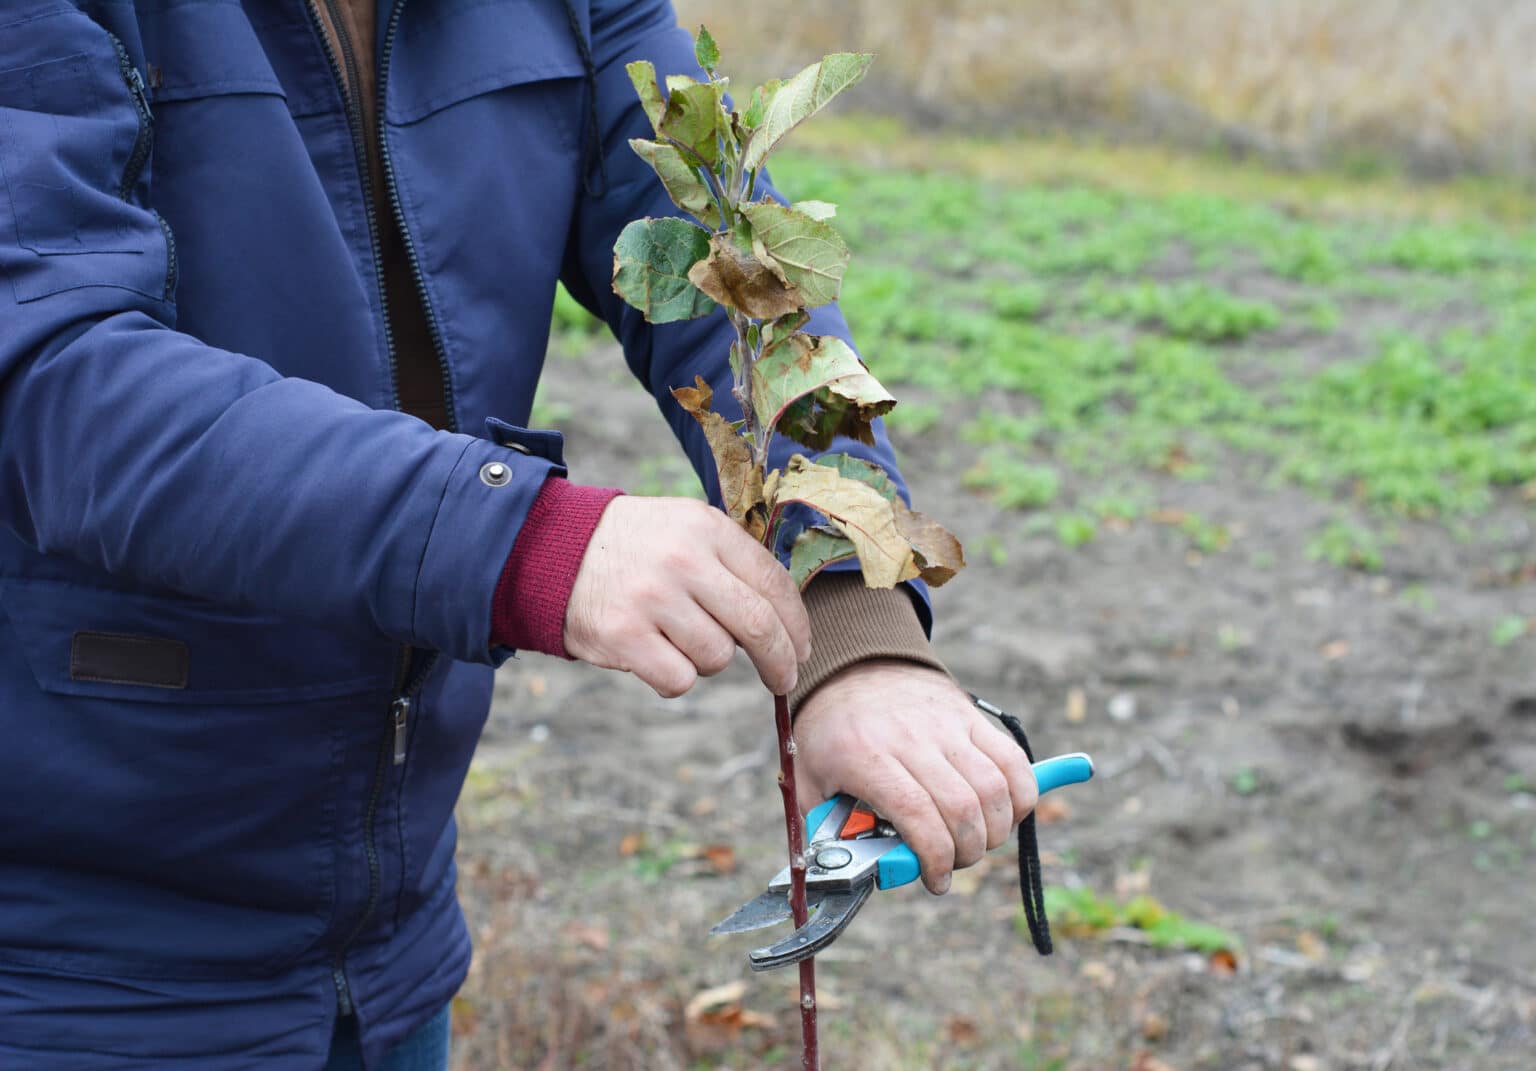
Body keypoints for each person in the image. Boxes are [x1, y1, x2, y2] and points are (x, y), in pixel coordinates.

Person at [0, 1, 1040, 1067]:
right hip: (69, 967)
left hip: (388, 949)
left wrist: (851, 625)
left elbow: (732, 268)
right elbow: (48, 377)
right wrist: (522, 540)